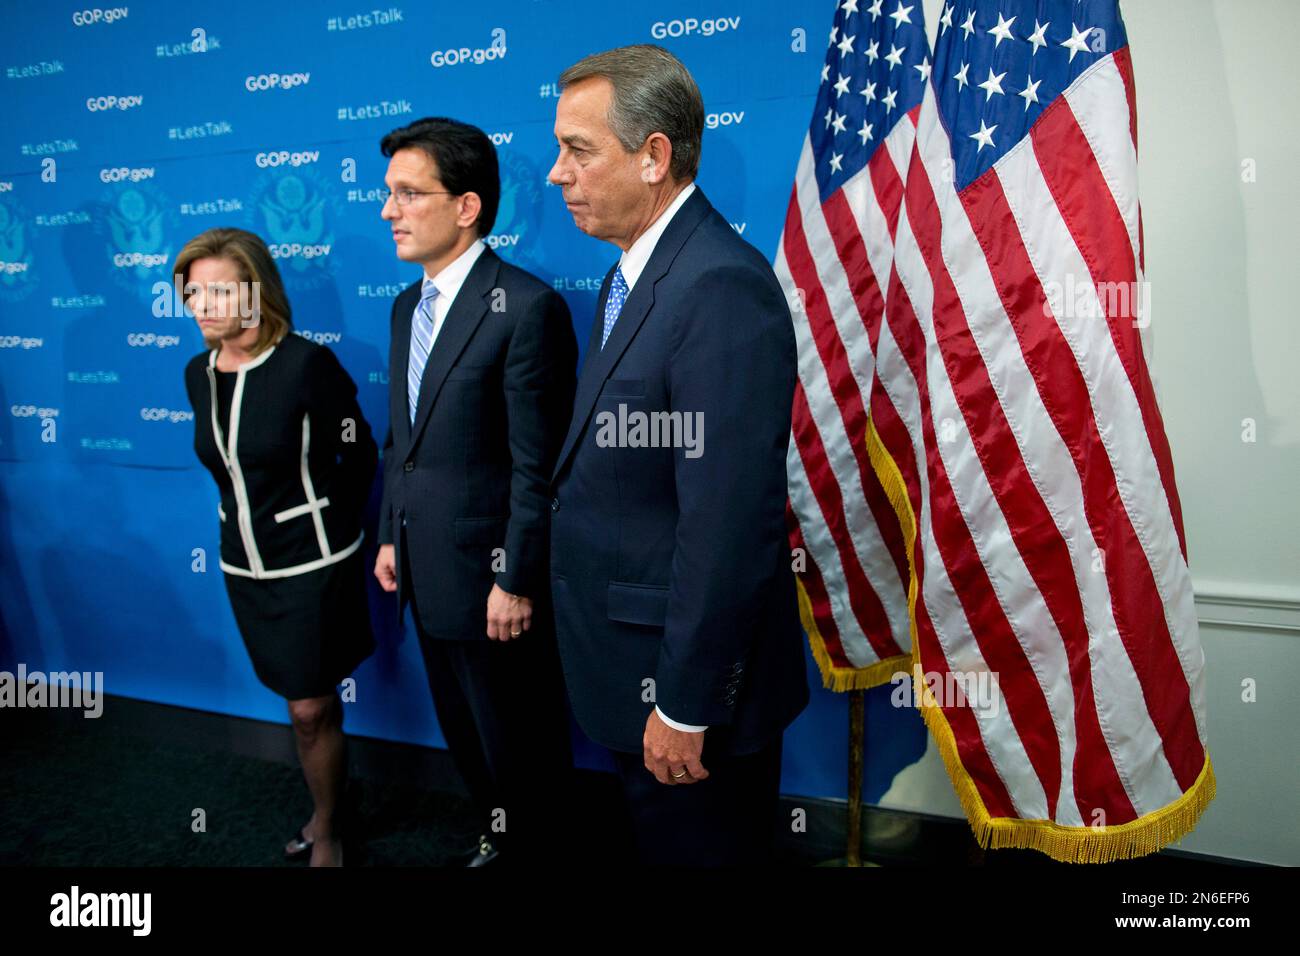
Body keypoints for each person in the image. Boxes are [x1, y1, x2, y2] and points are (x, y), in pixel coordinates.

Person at [546, 45, 810, 865]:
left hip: (683, 693)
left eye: (578, 151)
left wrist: (687, 702)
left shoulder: (717, 287)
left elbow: (729, 520)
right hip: (627, 666)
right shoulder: (628, 278)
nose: (557, 174)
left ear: (654, 156)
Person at [373, 117, 578, 865]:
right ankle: (497, 838)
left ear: (466, 206)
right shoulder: (406, 307)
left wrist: (515, 579)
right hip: (424, 574)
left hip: (495, 591)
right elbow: (406, 438)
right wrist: (393, 533)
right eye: (387, 193)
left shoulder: (525, 309)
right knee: (466, 737)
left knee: (519, 744)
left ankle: (538, 851)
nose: (388, 210)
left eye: (407, 193)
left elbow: (538, 466)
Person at [180, 227, 377, 867]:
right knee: (298, 706)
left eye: (218, 290)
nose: (201, 305)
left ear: (255, 292)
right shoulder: (197, 374)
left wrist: (322, 519)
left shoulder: (304, 365)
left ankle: (328, 826)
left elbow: (359, 451)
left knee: (310, 708)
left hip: (312, 569)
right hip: (243, 568)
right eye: (191, 292)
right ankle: (330, 807)